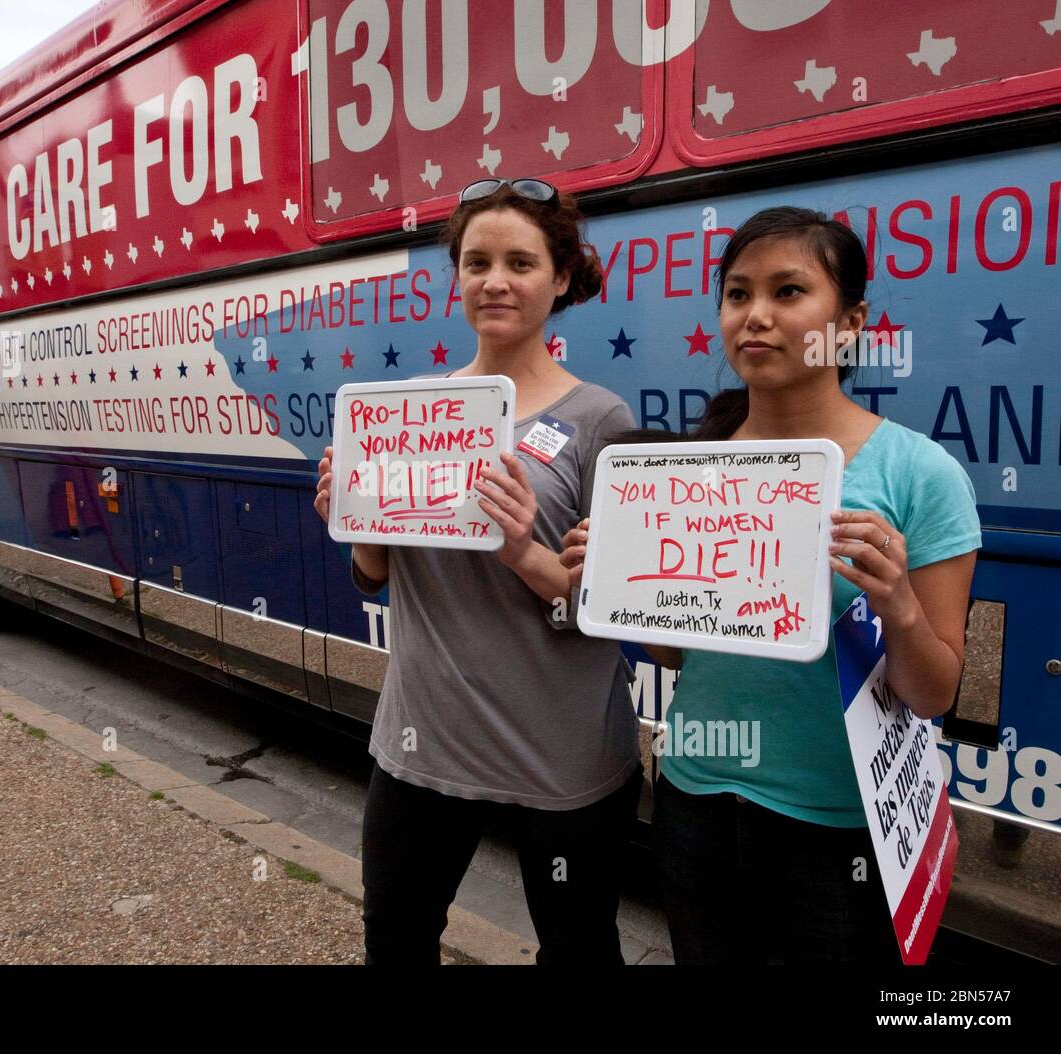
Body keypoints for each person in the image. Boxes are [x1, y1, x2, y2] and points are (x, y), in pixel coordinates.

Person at [560, 206, 981, 964]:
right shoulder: (690, 469)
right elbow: (677, 658)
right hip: (695, 804)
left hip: (843, 832)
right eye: (737, 293)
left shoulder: (922, 475)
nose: (755, 316)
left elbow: (934, 693)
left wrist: (901, 609)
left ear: (849, 322)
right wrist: (621, 582)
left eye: (788, 292)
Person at [314, 178, 641, 965]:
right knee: (396, 940)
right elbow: (376, 575)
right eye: (477, 262)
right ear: (457, 277)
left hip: (563, 758)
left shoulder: (602, 420)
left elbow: (614, 607)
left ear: (560, 279)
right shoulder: (409, 410)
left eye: (521, 263)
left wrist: (524, 551)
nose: (496, 280)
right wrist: (352, 522)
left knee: (578, 950)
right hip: (424, 747)